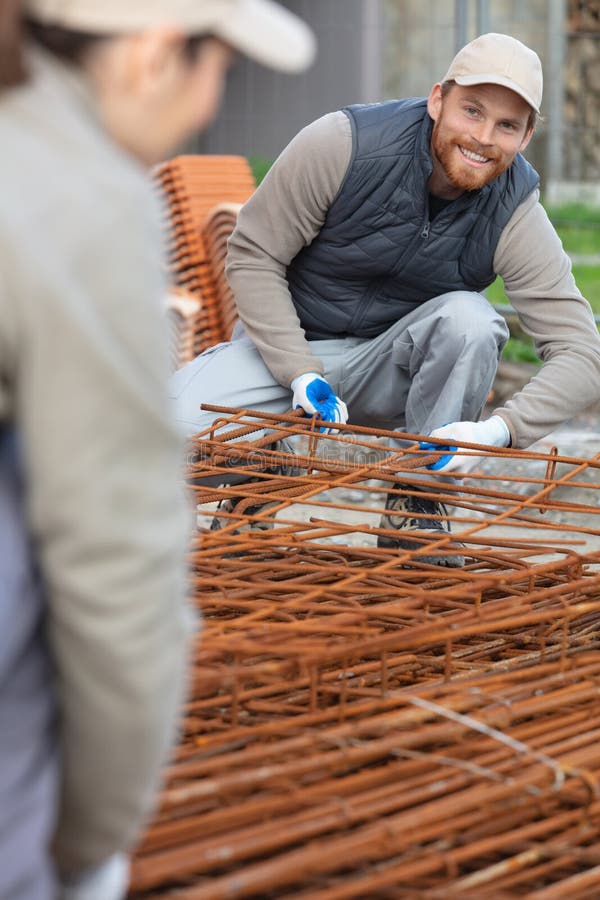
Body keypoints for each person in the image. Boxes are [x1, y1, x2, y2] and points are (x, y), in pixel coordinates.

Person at [0, 1, 315, 898]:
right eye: (216, 66)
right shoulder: (81, 195)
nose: (212, 102)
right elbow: (117, 565)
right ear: (150, 55)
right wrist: (90, 846)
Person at [170, 31, 600, 567]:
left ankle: (417, 511)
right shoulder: (345, 145)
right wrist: (299, 372)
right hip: (289, 362)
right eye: (472, 110)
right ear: (438, 99)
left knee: (471, 321)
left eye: (506, 125)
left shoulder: (514, 210)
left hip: (394, 373)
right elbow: (254, 254)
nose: (484, 137)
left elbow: (582, 352)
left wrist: (497, 431)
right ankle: (268, 468)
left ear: (526, 136)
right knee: (161, 437)